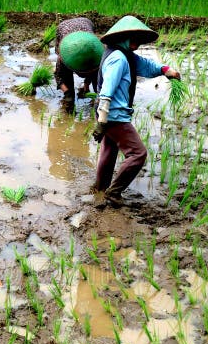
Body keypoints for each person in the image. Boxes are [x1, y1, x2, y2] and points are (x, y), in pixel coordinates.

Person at [91, 15, 181, 207]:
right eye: (134, 38)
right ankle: (113, 193)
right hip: (113, 114)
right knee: (138, 154)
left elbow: (146, 67)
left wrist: (166, 70)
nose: (137, 43)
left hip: (108, 113)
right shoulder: (117, 58)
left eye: (138, 39)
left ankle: (100, 189)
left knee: (109, 150)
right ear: (122, 37)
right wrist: (102, 121)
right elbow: (107, 91)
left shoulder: (125, 55)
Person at [54, 17, 104, 110]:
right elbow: (58, 76)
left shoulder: (95, 54)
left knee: (98, 87)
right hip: (64, 29)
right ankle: (69, 99)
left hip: (85, 24)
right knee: (67, 83)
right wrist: (67, 93)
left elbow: (93, 71)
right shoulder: (64, 58)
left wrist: (86, 86)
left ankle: (98, 104)